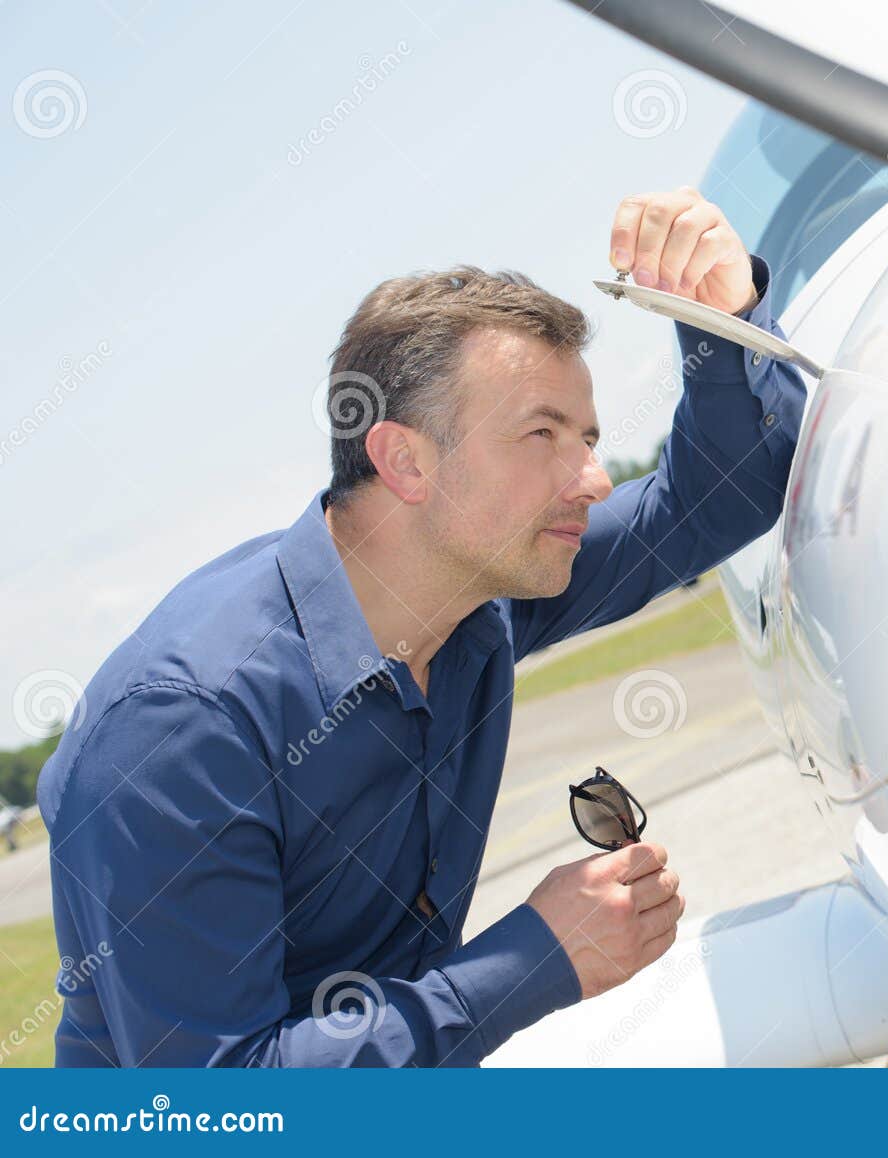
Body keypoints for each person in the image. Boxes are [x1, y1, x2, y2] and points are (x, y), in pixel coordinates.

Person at [36, 188, 805, 1066]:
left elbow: (716, 497)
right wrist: (534, 961)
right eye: (542, 434)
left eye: (586, 437)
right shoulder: (182, 725)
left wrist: (715, 314)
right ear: (404, 459)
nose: (593, 479)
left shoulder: (478, 597)